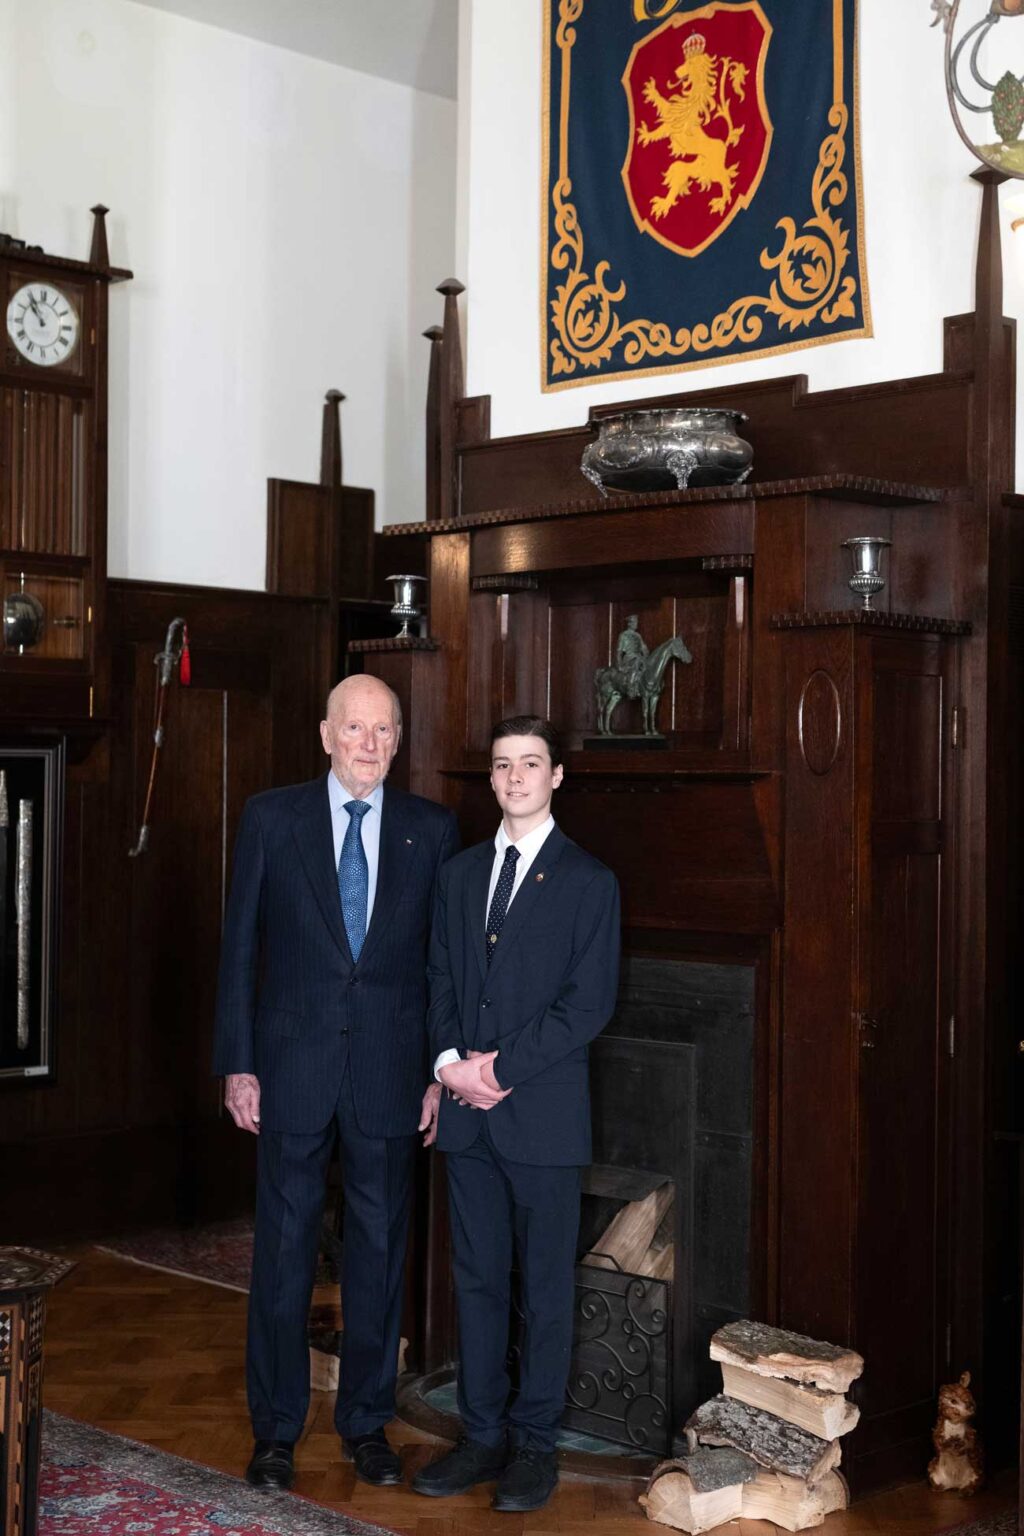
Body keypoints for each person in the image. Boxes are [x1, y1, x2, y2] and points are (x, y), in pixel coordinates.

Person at [212, 674, 459, 1493]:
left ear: (398, 740)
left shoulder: (434, 829)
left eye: (383, 731)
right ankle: (277, 1431)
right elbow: (240, 948)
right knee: (282, 1255)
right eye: (354, 729)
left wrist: (437, 1072)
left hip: (390, 1075)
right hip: (288, 1067)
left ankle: (365, 1424)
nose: (368, 745)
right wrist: (236, 1062)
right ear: (326, 735)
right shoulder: (270, 818)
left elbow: (442, 969)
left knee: (380, 1258)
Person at [414, 715, 620, 1513]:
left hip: (542, 1120)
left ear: (556, 776)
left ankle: (535, 1447)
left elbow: (588, 1004)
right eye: (502, 766)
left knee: (542, 1290)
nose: (515, 778)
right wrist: (446, 1066)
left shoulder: (588, 881)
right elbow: (435, 978)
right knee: (477, 1284)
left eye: (530, 764)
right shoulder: (461, 875)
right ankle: (482, 1436)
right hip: (468, 1120)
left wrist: (498, 1067)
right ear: (492, 777)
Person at [616, 613, 648, 696]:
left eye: (636, 623)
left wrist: (645, 652)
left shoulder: (638, 635)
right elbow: (619, 652)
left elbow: (643, 647)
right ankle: (631, 689)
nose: (636, 625)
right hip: (629, 658)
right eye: (634, 623)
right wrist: (619, 665)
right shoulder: (623, 635)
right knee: (636, 662)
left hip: (639, 657)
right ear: (629, 624)